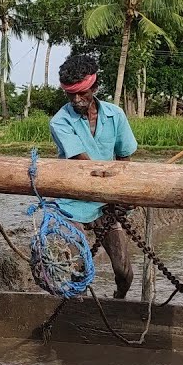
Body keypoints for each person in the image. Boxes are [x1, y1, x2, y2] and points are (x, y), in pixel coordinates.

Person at [48, 54, 137, 298]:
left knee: (124, 271)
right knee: (79, 269)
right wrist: (111, 194)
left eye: (83, 93)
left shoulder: (115, 115)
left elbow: (124, 159)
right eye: (71, 95)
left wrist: (122, 195)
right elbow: (84, 165)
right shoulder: (60, 122)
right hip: (73, 203)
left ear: (95, 87)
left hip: (106, 205)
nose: (77, 100)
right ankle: (80, 314)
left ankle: (118, 303)